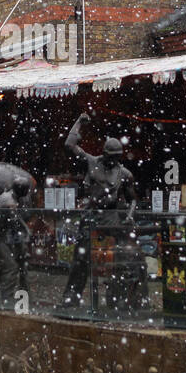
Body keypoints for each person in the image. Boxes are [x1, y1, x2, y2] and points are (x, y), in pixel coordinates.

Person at [60, 112, 136, 307]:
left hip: (112, 219)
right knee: (81, 261)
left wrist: (129, 216)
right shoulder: (92, 162)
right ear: (104, 154)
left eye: (117, 158)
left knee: (118, 261)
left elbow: (132, 200)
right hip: (91, 216)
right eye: (111, 158)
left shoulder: (124, 174)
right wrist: (78, 122)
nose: (114, 161)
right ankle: (72, 297)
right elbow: (69, 145)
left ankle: (117, 297)